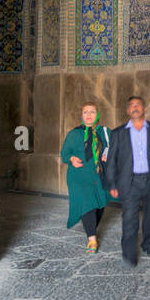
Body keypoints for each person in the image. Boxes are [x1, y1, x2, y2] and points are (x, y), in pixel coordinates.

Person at [105, 96, 150, 267]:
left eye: (138, 105)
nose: (135, 108)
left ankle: (149, 246)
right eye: (131, 106)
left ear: (144, 109)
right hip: (129, 182)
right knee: (129, 218)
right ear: (128, 111)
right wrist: (112, 184)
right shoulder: (118, 133)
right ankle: (129, 255)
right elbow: (111, 161)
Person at [59, 103, 111, 252]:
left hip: (99, 175)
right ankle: (92, 239)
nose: (89, 115)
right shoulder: (74, 134)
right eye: (85, 112)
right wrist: (72, 159)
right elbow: (64, 154)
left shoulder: (105, 132)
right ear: (82, 115)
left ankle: (90, 228)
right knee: (87, 204)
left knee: (99, 206)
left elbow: (116, 149)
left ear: (98, 115)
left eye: (92, 112)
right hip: (79, 176)